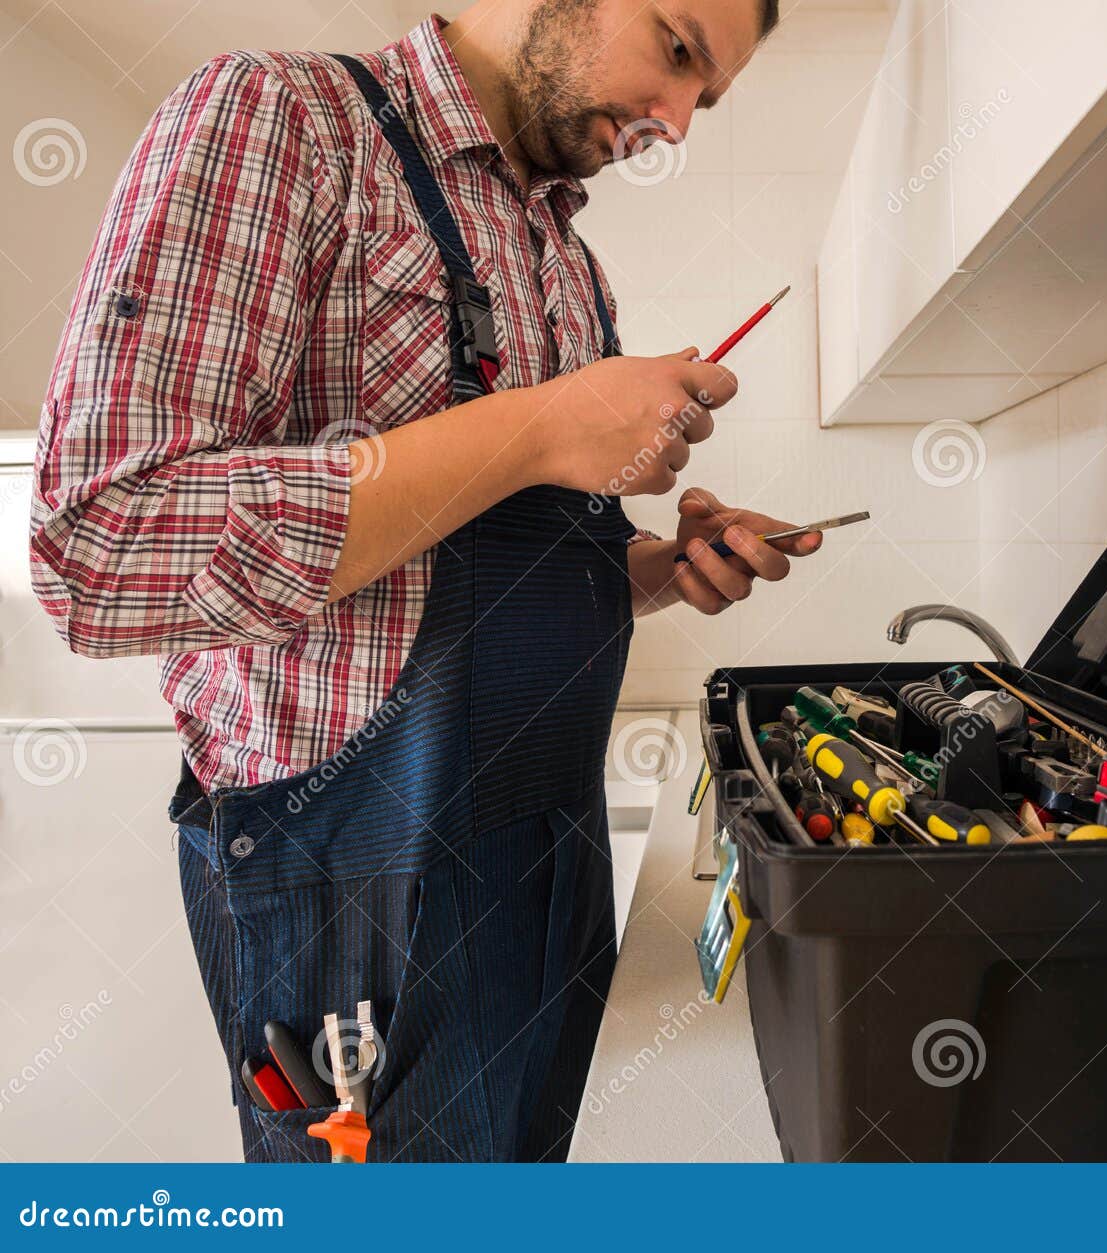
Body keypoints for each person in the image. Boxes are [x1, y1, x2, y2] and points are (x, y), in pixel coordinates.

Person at [29, 0, 809, 1162]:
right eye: (678, 49)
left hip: (544, 852)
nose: (677, 121)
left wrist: (645, 568)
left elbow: (472, 557)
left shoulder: (567, 260)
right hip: (353, 878)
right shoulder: (282, 121)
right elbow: (103, 546)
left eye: (708, 98)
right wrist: (542, 425)